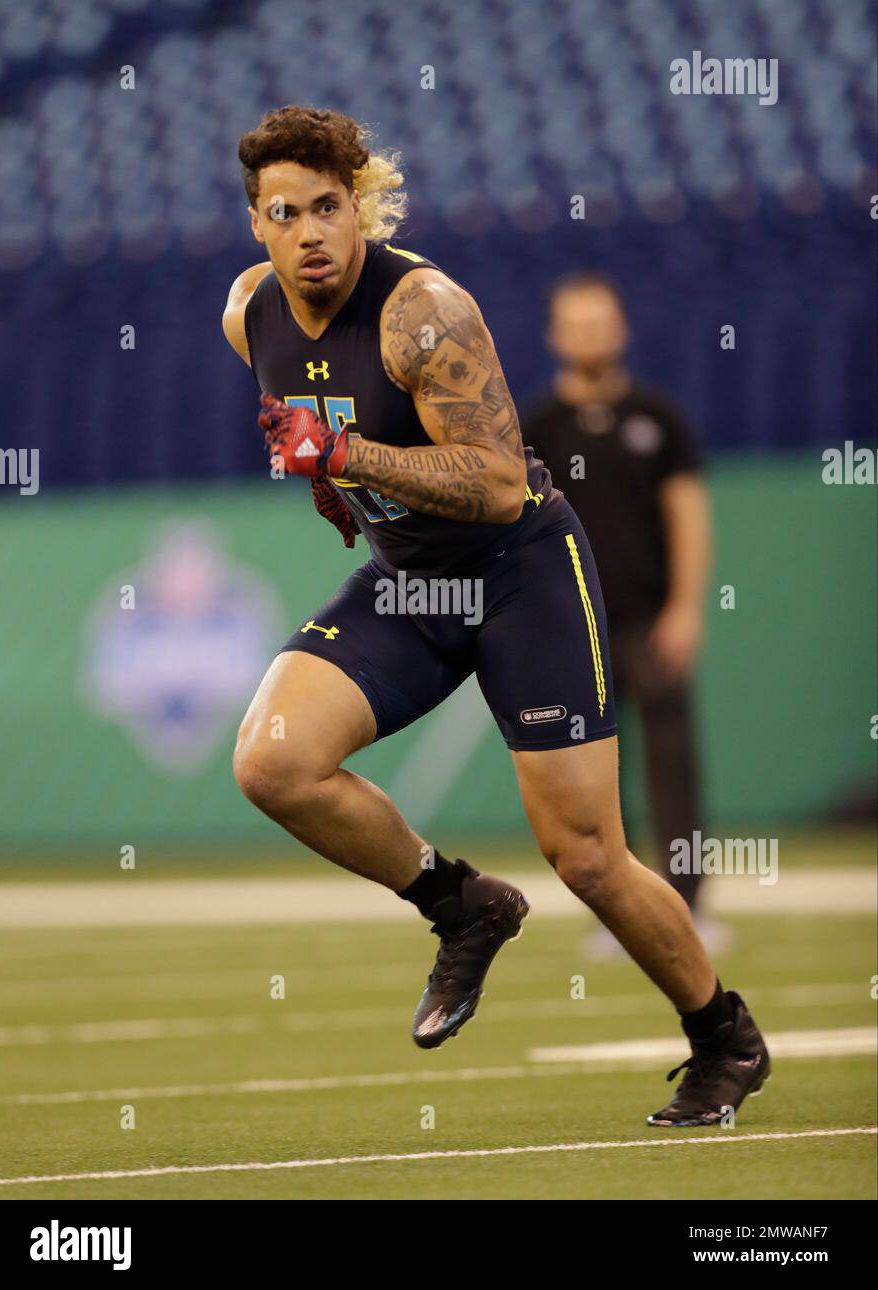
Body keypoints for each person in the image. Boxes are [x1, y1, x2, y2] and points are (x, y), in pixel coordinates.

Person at [222, 105, 768, 1126]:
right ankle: (462, 904)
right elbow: (314, 413)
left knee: (589, 857)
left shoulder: (423, 308)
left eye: (328, 206)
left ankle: (722, 1038)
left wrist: (342, 458)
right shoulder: (246, 311)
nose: (308, 232)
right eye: (282, 211)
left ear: (361, 206)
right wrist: (332, 482)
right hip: (411, 579)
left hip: (519, 573)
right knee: (272, 761)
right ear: (256, 223)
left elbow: (494, 485)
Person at [522, 274, 721, 946]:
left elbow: (688, 515)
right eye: (574, 323)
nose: (588, 335)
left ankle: (691, 909)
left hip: (648, 622)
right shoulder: (535, 426)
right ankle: (624, 914)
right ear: (554, 336)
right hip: (573, 631)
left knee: (673, 766)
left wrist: (686, 608)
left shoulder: (659, 418)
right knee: (591, 780)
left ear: (622, 329)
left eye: (599, 321)